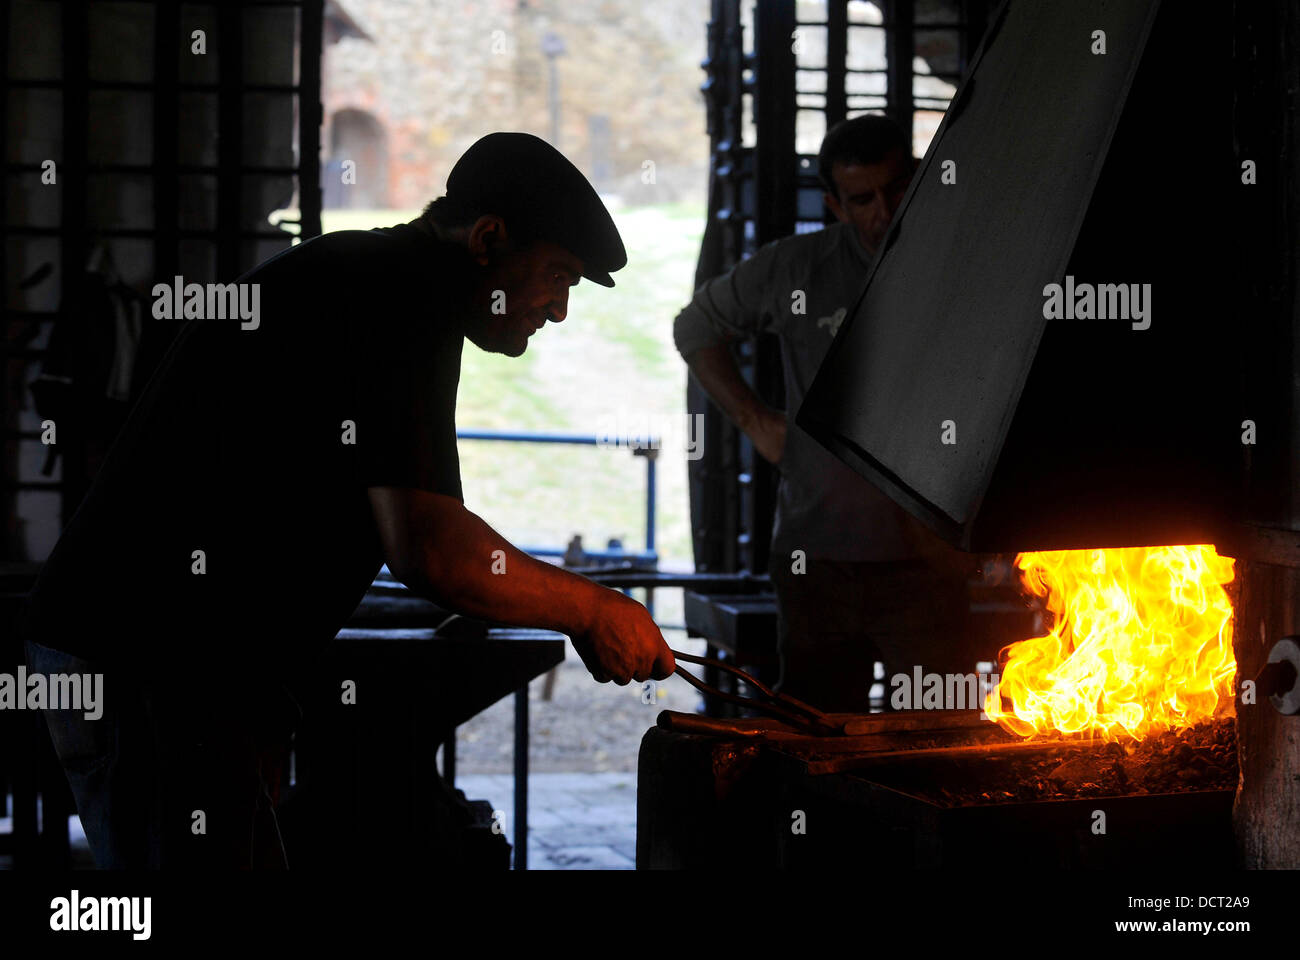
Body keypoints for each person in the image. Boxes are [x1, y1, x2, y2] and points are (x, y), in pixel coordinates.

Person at [20, 131, 675, 869]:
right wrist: (591, 609)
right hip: (145, 657)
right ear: (488, 239)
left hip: (180, 667)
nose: (558, 310)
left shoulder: (382, 280)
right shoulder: (401, 295)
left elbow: (408, 516)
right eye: (556, 275)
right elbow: (430, 548)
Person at [673, 114, 972, 713]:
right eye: (863, 198)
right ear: (836, 205)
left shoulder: (964, 264)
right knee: (816, 737)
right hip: (818, 561)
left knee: (942, 741)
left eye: (897, 188)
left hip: (931, 564)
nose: (885, 210)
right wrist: (757, 422)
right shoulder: (796, 269)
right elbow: (695, 327)